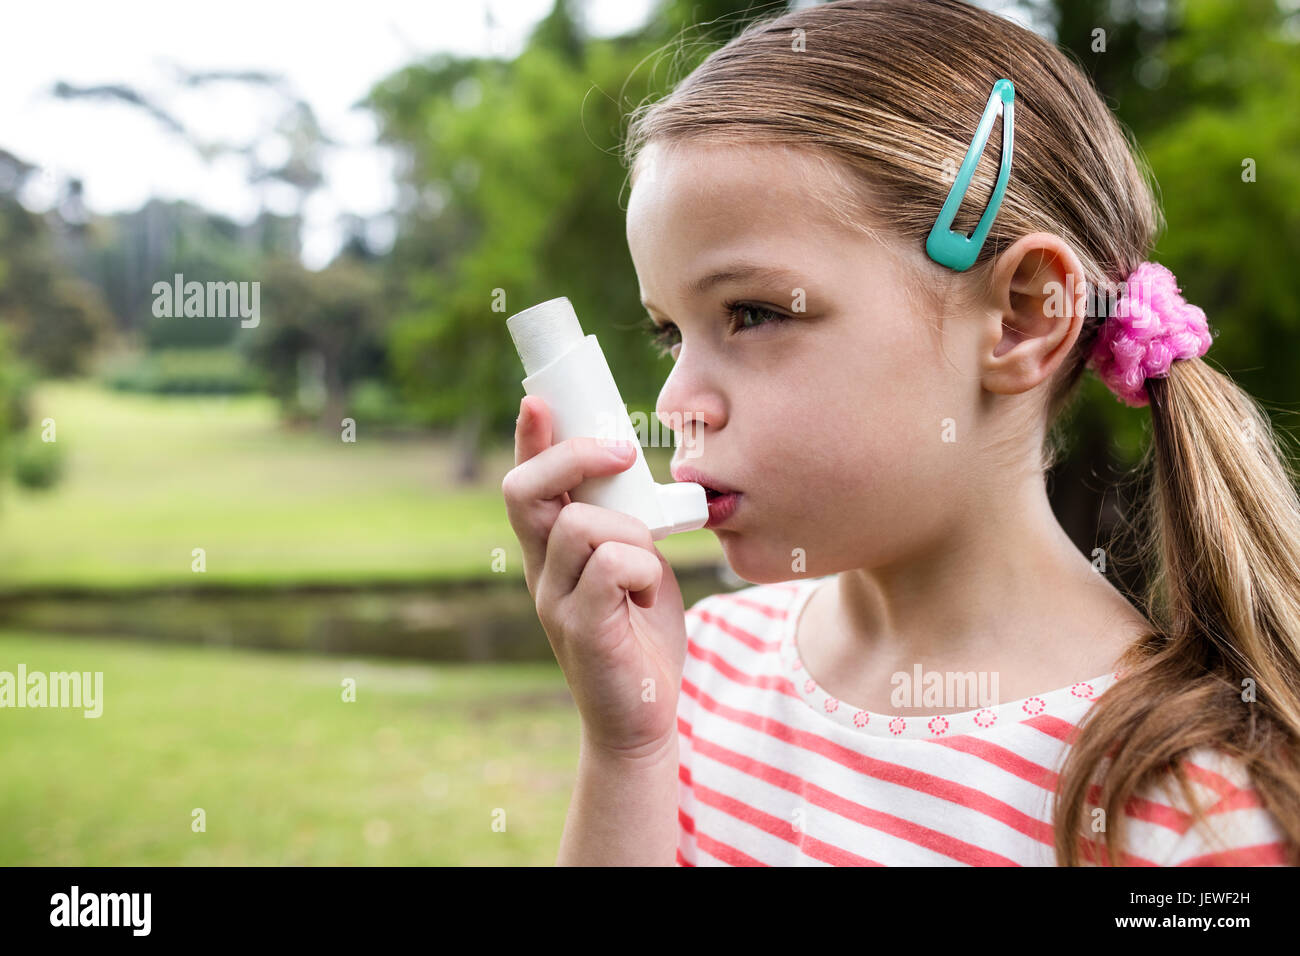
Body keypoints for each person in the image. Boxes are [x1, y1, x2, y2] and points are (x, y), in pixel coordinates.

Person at [502, 0, 1300, 866]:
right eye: (670, 332)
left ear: (1024, 316)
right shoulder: (702, 671)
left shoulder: (1190, 811)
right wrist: (628, 753)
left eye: (754, 313)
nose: (674, 400)